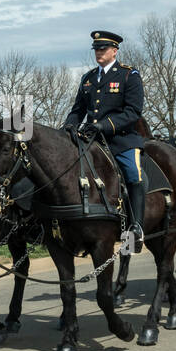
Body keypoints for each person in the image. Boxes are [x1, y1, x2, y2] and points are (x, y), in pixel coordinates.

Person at [63, 29, 146, 239]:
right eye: (96, 49)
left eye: (104, 48)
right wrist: (68, 128)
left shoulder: (129, 75)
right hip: (92, 140)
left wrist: (104, 126)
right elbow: (77, 110)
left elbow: (133, 112)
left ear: (115, 51)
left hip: (122, 139)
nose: (99, 52)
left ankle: (136, 225)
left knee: (133, 174)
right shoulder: (88, 78)